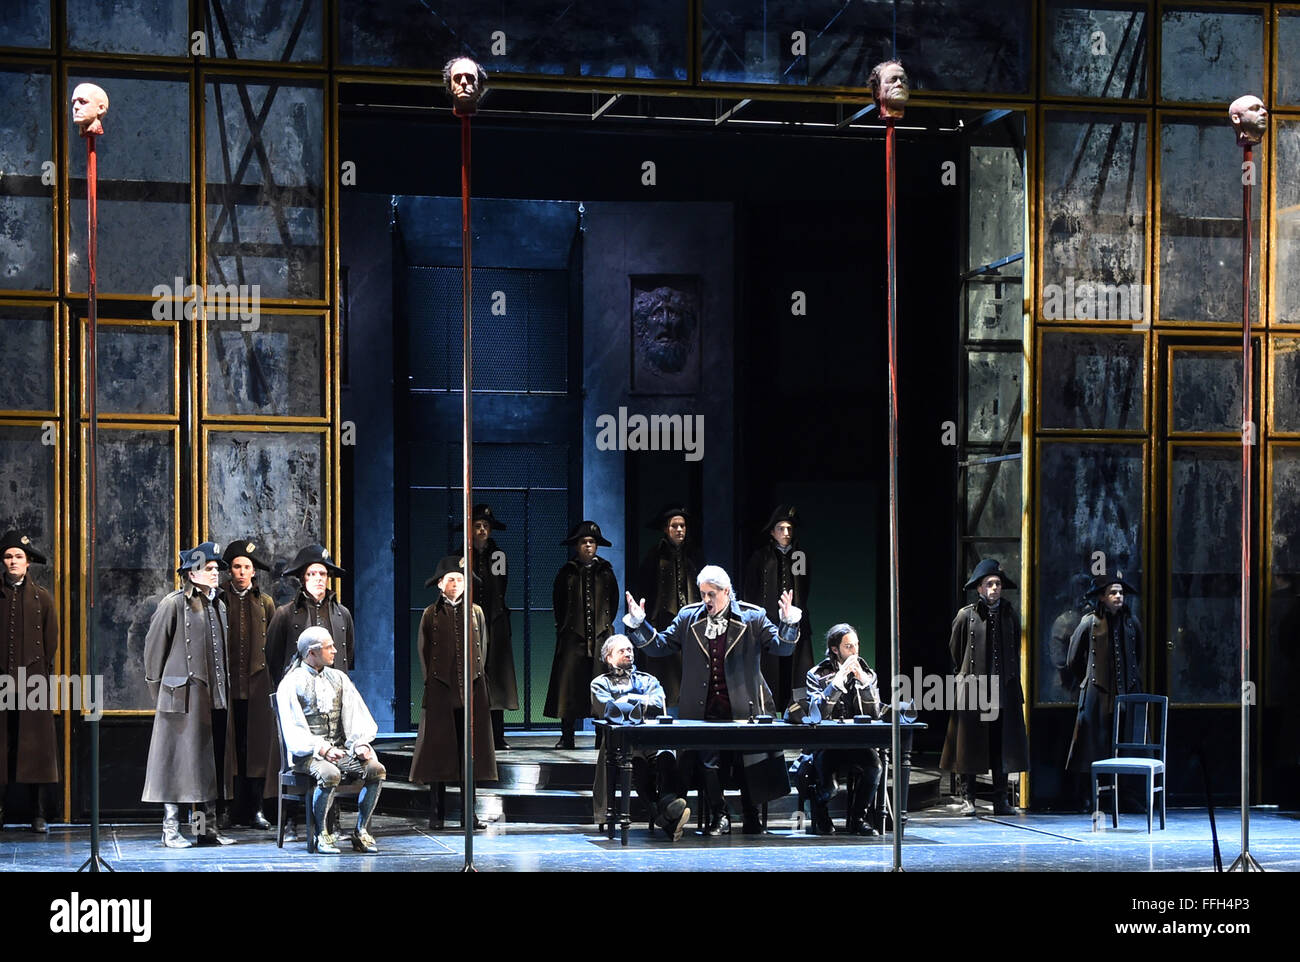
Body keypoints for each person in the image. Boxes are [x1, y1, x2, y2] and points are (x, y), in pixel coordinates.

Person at [625, 564, 801, 835]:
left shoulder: (753, 618)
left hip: (744, 710)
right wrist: (639, 624)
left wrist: (788, 623)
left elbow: (783, 647)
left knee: (748, 762)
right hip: (703, 711)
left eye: (712, 594)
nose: (706, 600)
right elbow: (660, 646)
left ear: (726, 592)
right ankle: (721, 816)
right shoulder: (688, 618)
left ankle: (751, 815)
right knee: (709, 762)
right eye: (703, 594)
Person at [141, 542, 237, 848]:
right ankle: (170, 830)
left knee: (206, 767)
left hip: (214, 697)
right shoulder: (173, 604)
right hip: (180, 699)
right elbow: (153, 652)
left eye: (216, 569)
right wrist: (162, 695)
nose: (214, 573)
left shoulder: (219, 605)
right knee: (176, 765)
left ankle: (204, 830)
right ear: (192, 572)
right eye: (207, 568)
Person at [276, 626, 385, 854]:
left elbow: (356, 715)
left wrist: (360, 743)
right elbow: (293, 730)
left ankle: (361, 831)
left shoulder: (338, 678)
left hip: (339, 751)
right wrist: (322, 749)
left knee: (376, 769)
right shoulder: (291, 683)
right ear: (312, 652)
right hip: (307, 754)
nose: (335, 651)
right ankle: (321, 833)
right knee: (329, 774)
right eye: (329, 647)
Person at [409, 555, 496, 830]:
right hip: (440, 691)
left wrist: (476, 679)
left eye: (460, 580)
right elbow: (423, 652)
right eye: (451, 580)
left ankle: (468, 814)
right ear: (440, 584)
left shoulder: (476, 612)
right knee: (438, 754)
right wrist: (433, 683)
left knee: (469, 754)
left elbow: (483, 646)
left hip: (472, 690)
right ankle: (437, 813)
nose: (456, 584)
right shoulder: (429, 614)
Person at [939, 559, 1028, 816]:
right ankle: (969, 799)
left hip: (1003, 690)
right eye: (989, 584)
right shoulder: (966, 615)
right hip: (974, 690)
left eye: (998, 584)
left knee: (1002, 745)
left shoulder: (1009, 614)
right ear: (979, 588)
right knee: (970, 746)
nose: (994, 588)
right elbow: (955, 650)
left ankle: (1001, 799)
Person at [591, 634, 690, 841]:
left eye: (630, 650)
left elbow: (658, 703)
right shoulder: (600, 684)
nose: (628, 653)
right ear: (609, 658)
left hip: (652, 739)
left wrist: (629, 701)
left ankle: (666, 807)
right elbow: (610, 710)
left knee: (667, 756)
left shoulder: (648, 679)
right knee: (637, 764)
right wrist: (639, 703)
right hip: (621, 743)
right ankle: (668, 813)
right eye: (622, 650)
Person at [794, 623, 883, 836]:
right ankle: (820, 807)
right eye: (849, 647)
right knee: (830, 788)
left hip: (856, 742)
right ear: (835, 649)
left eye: (856, 646)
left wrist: (864, 683)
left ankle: (857, 819)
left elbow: (875, 714)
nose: (855, 652)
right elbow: (820, 713)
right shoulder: (817, 674)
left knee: (875, 768)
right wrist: (836, 682)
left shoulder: (867, 673)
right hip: (826, 744)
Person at [0, 531, 59, 832]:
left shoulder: (42, 597)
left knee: (36, 749)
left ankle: (39, 812)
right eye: (8, 556)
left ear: (28, 562)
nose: (13, 561)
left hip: (33, 684)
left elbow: (51, 642)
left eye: (18, 557)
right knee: (2, 746)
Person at [217, 539, 275, 830]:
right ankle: (224, 810)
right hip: (226, 688)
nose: (242, 572)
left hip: (257, 688)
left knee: (256, 751)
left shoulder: (264, 603)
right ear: (230, 571)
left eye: (247, 567)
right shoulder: (219, 599)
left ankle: (256, 810)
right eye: (237, 566)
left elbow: (274, 646)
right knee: (228, 753)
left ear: (254, 572)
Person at [545, 521, 618, 749]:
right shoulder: (567, 572)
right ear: (577, 546)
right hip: (572, 637)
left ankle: (601, 736)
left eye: (592, 542)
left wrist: (604, 627)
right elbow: (558, 602)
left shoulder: (606, 572)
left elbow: (612, 603)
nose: (588, 546)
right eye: (584, 542)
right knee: (569, 685)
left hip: (600, 637)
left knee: (601, 685)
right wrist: (566, 626)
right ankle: (567, 736)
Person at [1065, 573, 1144, 777]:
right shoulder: (1089, 622)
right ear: (1102, 597)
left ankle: (1125, 793)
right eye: (1113, 593)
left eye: (1121, 592)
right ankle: (1090, 794)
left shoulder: (1131, 622)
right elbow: (1073, 659)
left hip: (1127, 691)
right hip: (1097, 694)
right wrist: (1090, 677)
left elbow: (1139, 654)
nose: (1118, 596)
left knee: (1127, 742)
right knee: (1093, 744)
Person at [459, 504, 518, 750]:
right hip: (468, 621)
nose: (482, 529)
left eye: (485, 526)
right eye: (478, 526)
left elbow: (499, 586)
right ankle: (469, 736)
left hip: (494, 621)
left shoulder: (498, 556)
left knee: (496, 679)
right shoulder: (461, 555)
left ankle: (497, 735)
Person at [744, 505, 813, 713]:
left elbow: (802, 585)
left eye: (789, 529)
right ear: (772, 532)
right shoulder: (761, 557)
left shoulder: (799, 555)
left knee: (797, 671)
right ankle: (768, 711)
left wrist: (796, 613)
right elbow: (751, 590)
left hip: (794, 621)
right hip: (769, 622)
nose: (786, 533)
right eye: (781, 528)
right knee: (769, 669)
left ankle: (797, 711)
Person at [632, 505, 702, 707]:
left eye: (682, 526)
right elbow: (644, 588)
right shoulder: (654, 555)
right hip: (663, 621)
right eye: (675, 526)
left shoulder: (695, 554)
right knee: (664, 674)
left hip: (693, 622)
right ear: (666, 529)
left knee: (691, 672)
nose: (680, 530)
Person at [265, 544, 354, 684]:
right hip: (299, 691)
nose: (318, 578)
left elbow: (347, 654)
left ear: (328, 577)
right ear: (303, 578)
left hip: (334, 690)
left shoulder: (342, 614)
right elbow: (273, 658)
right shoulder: (285, 614)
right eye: (311, 574)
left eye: (322, 574)